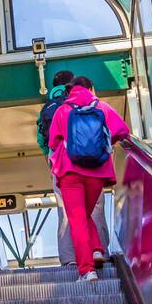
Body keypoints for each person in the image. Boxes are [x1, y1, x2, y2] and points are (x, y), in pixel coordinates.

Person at [48, 75, 130, 280]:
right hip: (97, 172)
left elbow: (52, 142)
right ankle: (96, 250)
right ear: (91, 88)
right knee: (84, 214)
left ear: (70, 91)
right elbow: (123, 131)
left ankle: (87, 270)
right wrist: (101, 143)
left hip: (70, 173)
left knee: (77, 219)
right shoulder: (101, 107)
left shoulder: (62, 110)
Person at [36, 70, 76, 267]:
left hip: (59, 163)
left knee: (65, 211)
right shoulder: (80, 99)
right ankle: (98, 252)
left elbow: (41, 140)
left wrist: (50, 161)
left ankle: (69, 259)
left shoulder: (47, 107)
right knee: (94, 207)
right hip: (87, 161)